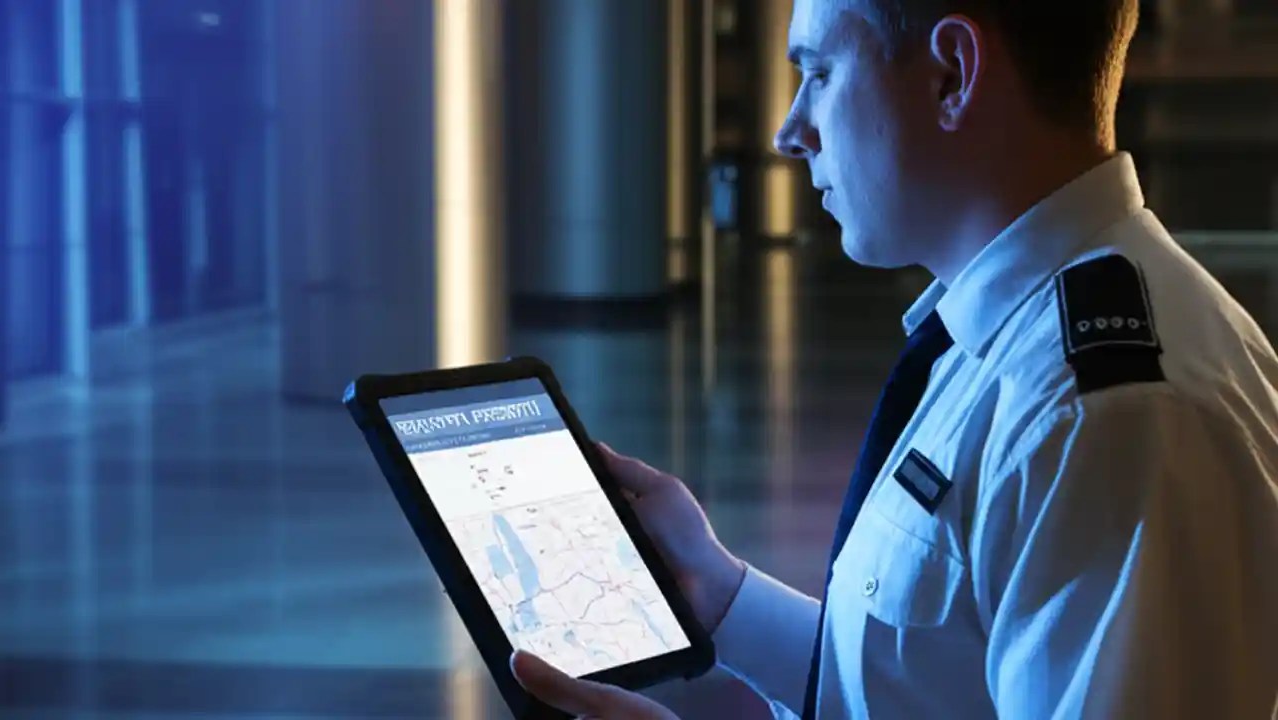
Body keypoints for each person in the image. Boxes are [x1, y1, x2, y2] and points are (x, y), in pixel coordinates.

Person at [511, 0, 1278, 717]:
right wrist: (721, 597)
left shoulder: (1110, 415)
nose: (789, 131)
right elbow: (936, 681)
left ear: (952, 75)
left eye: (818, 73)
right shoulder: (1015, 336)